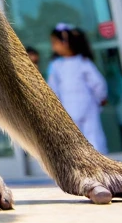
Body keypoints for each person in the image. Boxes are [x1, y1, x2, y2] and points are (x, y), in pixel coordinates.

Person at [46, 24, 109, 153]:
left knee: (88, 136)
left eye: (55, 42)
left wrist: (100, 97)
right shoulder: (59, 65)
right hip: (74, 105)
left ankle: (95, 167)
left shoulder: (80, 62)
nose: (53, 46)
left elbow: (97, 83)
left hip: (80, 105)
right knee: (84, 138)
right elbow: (53, 87)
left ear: (66, 42)